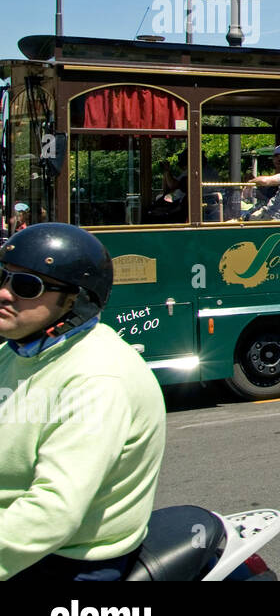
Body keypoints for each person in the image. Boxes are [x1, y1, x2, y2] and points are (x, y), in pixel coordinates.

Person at [0, 224, 166, 581]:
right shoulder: (15, 352)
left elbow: (53, 511)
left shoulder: (98, 380)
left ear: (75, 299)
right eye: (2, 276)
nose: (4, 293)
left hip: (63, 559)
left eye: (26, 286)